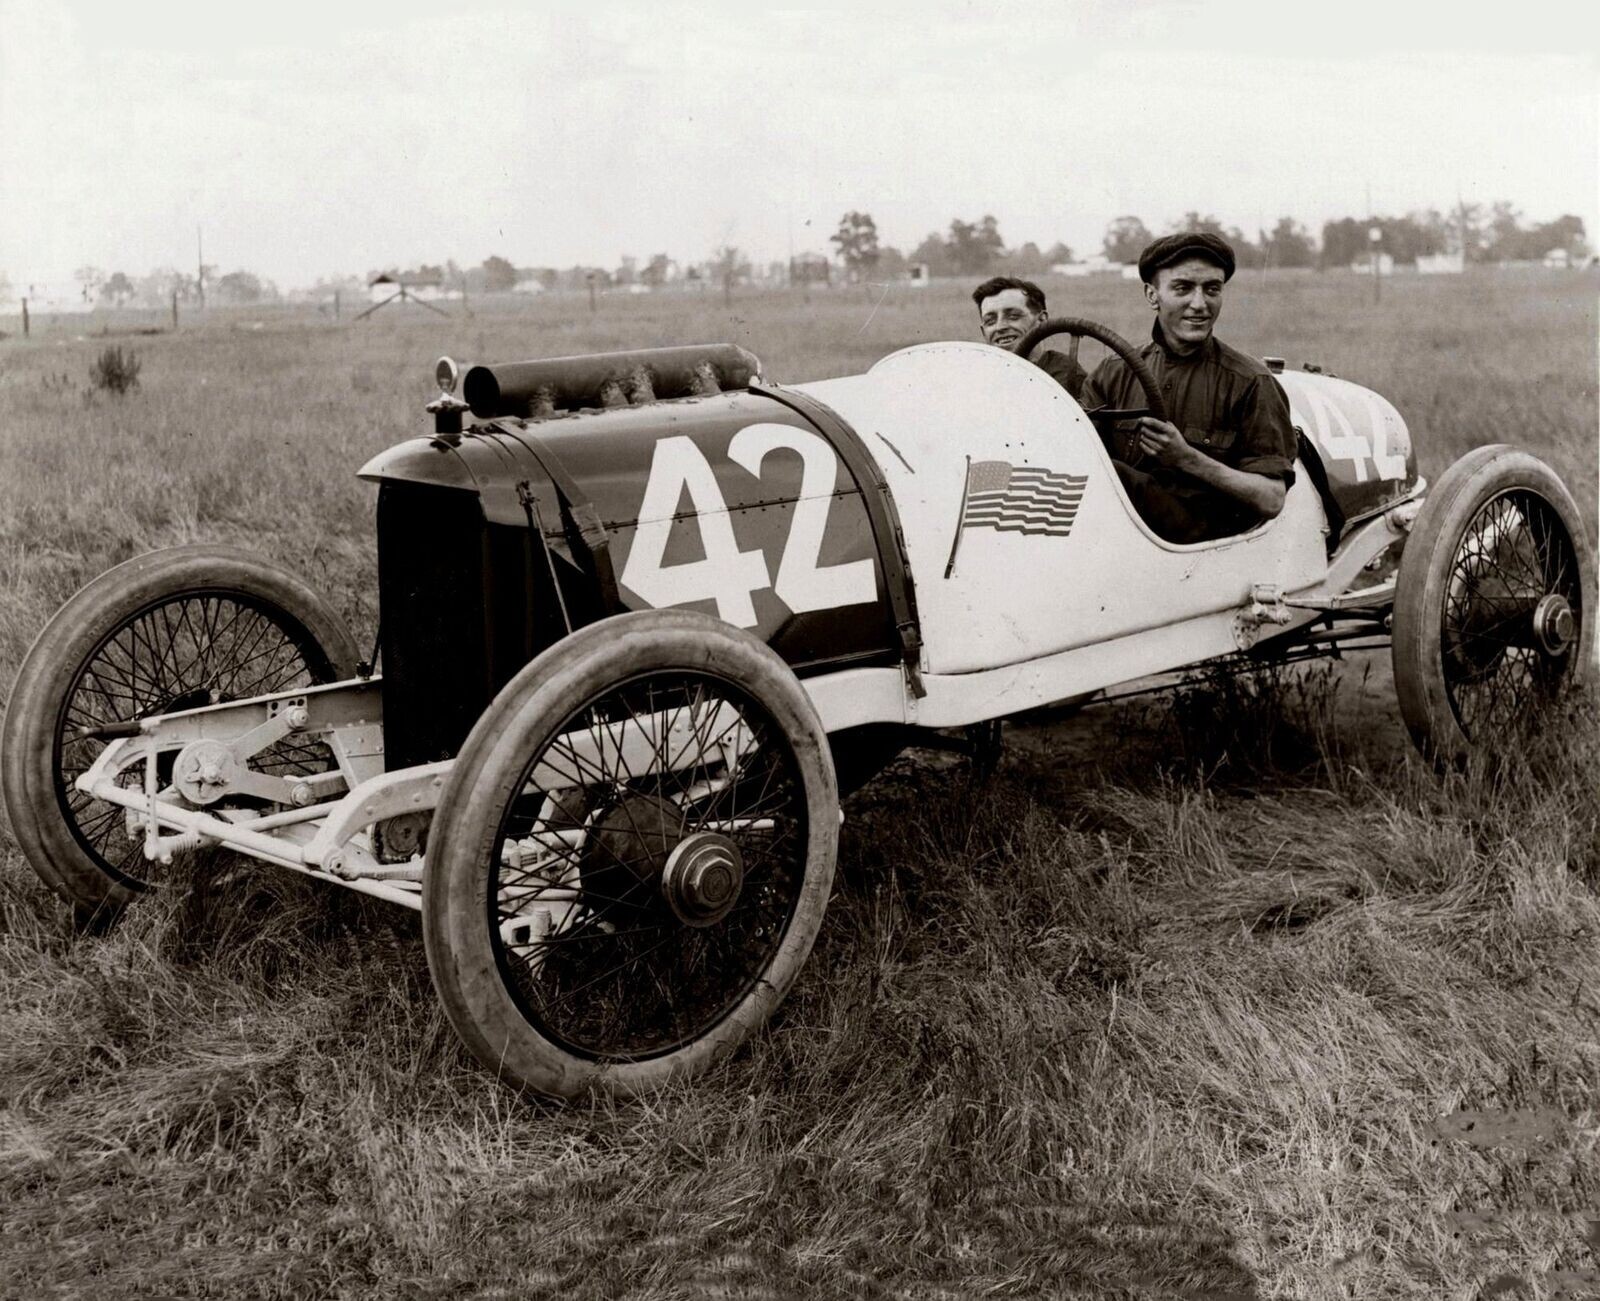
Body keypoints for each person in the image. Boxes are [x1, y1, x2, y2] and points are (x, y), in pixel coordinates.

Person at [1079, 233, 1296, 544]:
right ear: (1152, 295)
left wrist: (1186, 458)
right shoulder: (1111, 374)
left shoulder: (1251, 382)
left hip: (1204, 547)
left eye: (1212, 289)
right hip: (1118, 539)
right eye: (1183, 288)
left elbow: (1271, 498)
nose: (1200, 304)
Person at [971, 276, 1086, 399]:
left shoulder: (1067, 376)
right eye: (990, 321)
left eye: (1013, 316)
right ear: (983, 332)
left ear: (1042, 321)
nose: (1000, 327)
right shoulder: (977, 379)